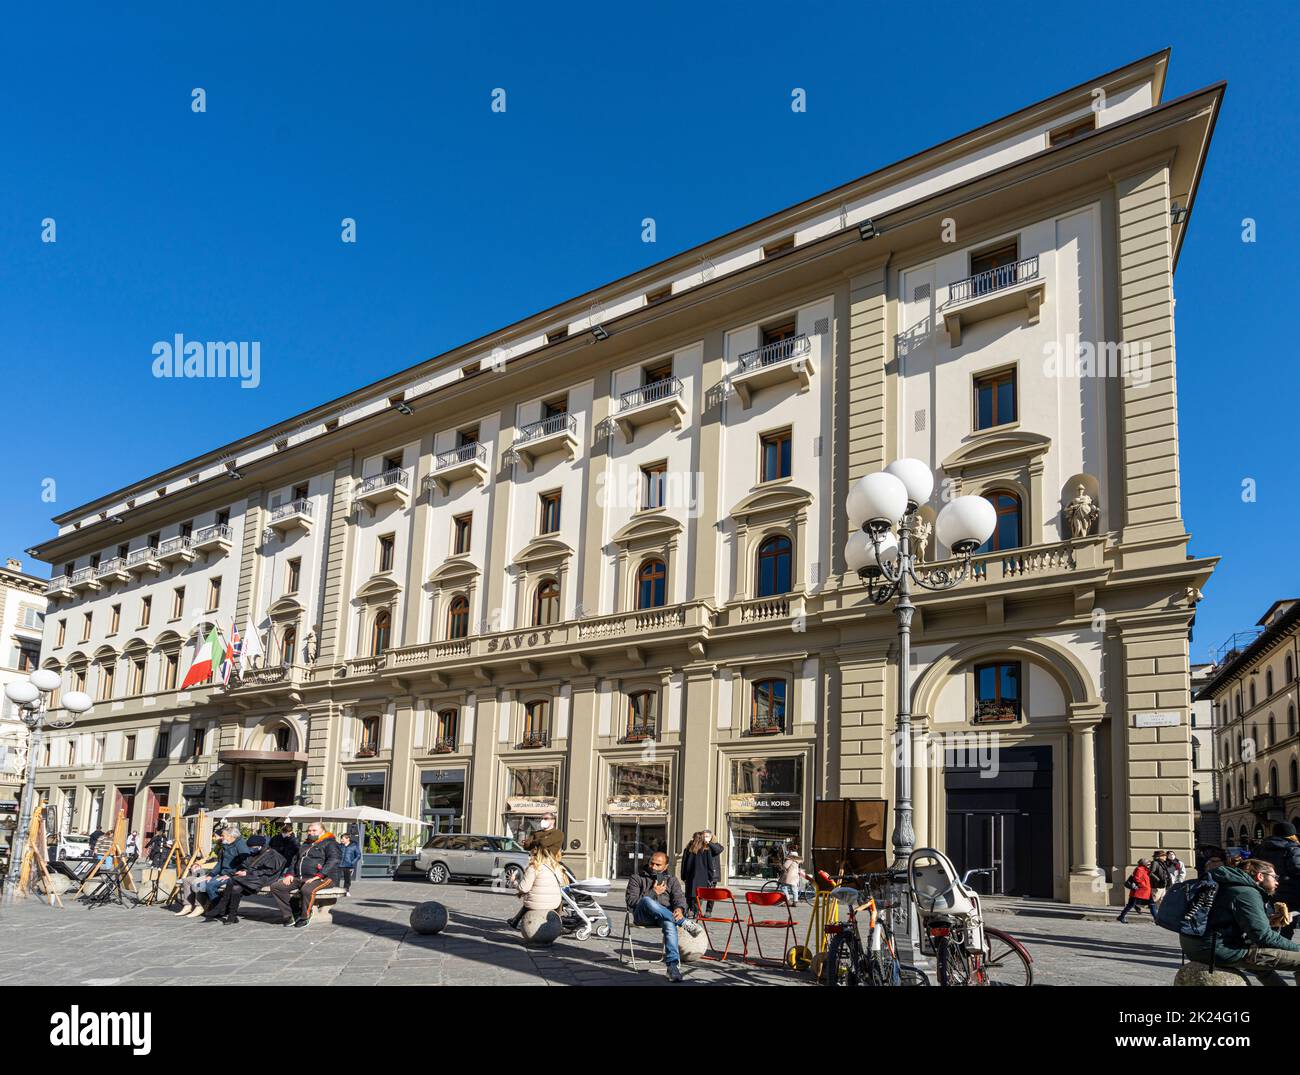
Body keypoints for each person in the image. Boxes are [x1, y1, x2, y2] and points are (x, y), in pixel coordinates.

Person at [1180, 858, 1300, 986]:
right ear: (1260, 876)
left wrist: (1270, 923)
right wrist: (1298, 949)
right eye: (1274, 876)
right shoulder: (1246, 893)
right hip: (1218, 950)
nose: (1277, 882)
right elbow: (1262, 936)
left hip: (1196, 947)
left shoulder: (1227, 884)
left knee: (1264, 969)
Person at [625, 850, 703, 982]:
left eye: (658, 865)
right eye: (652, 863)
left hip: (664, 917)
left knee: (669, 923)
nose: (653, 867)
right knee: (647, 900)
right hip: (642, 916)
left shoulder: (671, 880)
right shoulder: (636, 878)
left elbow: (679, 899)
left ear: (665, 866)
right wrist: (653, 892)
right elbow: (631, 902)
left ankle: (672, 967)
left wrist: (679, 909)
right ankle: (683, 922)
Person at [202, 836, 288, 925]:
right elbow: (244, 866)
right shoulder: (254, 854)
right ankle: (231, 915)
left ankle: (222, 907)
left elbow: (269, 871)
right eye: (249, 847)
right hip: (251, 879)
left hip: (264, 879)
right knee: (236, 888)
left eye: (252, 847)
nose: (250, 849)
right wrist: (236, 872)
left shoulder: (273, 855)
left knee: (233, 881)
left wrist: (247, 873)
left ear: (260, 846)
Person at [269, 821, 341, 927]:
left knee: (306, 890)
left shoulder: (330, 843)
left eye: (314, 830)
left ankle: (305, 916)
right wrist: (289, 874)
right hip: (300, 877)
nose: (311, 833)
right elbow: (295, 859)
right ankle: (289, 915)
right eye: (309, 830)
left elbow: (334, 860)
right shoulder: (306, 843)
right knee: (276, 887)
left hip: (324, 878)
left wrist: (319, 875)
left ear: (322, 831)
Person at [511, 842, 566, 929]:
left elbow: (524, 888)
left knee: (532, 900)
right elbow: (562, 883)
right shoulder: (556, 866)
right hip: (555, 903)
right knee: (536, 897)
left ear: (535, 853)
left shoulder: (534, 867)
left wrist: (514, 881)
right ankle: (515, 920)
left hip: (537, 904)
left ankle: (516, 921)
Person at [1254, 822, 1300, 911]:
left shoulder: (1259, 848)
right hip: (1292, 896)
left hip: (1266, 892)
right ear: (1292, 835)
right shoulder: (1293, 849)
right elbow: (1297, 869)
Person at [1117, 858, 1157, 923]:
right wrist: (1142, 885)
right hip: (1139, 891)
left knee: (1152, 904)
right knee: (1131, 904)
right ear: (1144, 864)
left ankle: (1157, 919)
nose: (1149, 865)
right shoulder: (1140, 869)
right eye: (1148, 864)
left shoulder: (1145, 870)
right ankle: (1121, 916)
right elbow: (1136, 879)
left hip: (1145, 891)